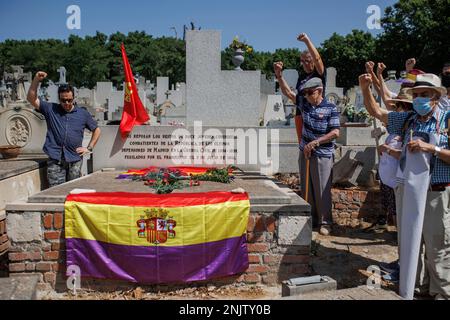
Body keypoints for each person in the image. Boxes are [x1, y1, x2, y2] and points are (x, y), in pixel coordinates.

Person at [360, 72, 450, 299]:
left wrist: (433, 149)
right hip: (409, 190)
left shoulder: (447, 119)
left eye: (424, 94)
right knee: (411, 243)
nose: (419, 98)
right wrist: (365, 89)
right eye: (416, 94)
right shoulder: (408, 119)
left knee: (437, 246)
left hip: (435, 192)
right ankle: (415, 286)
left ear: (436, 98)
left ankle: (441, 293)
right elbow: (377, 113)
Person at [27, 71, 101, 187]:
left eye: (69, 100)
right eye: (63, 100)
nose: (66, 103)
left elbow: (96, 130)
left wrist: (89, 147)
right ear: (59, 99)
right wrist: (36, 80)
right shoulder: (50, 109)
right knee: (56, 190)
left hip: (75, 159)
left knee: (73, 190)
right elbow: (31, 99)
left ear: (73, 98)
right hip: (56, 158)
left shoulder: (82, 113)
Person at [293, 77, 340, 236]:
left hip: (322, 154)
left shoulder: (330, 107)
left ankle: (325, 222)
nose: (307, 95)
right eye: (305, 93)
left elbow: (335, 132)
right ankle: (311, 219)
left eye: (310, 92)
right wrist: (279, 76)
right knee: (308, 188)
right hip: (306, 153)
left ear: (319, 91)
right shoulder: (305, 104)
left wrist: (316, 142)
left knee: (321, 190)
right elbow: (288, 93)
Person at [274, 33, 326, 145]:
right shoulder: (302, 77)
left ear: (312, 61)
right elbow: (289, 93)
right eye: (302, 61)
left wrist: (307, 41)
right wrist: (279, 75)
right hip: (300, 115)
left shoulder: (319, 74)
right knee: (303, 150)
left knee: (316, 149)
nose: (304, 64)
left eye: (307, 61)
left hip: (316, 115)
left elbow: (318, 59)